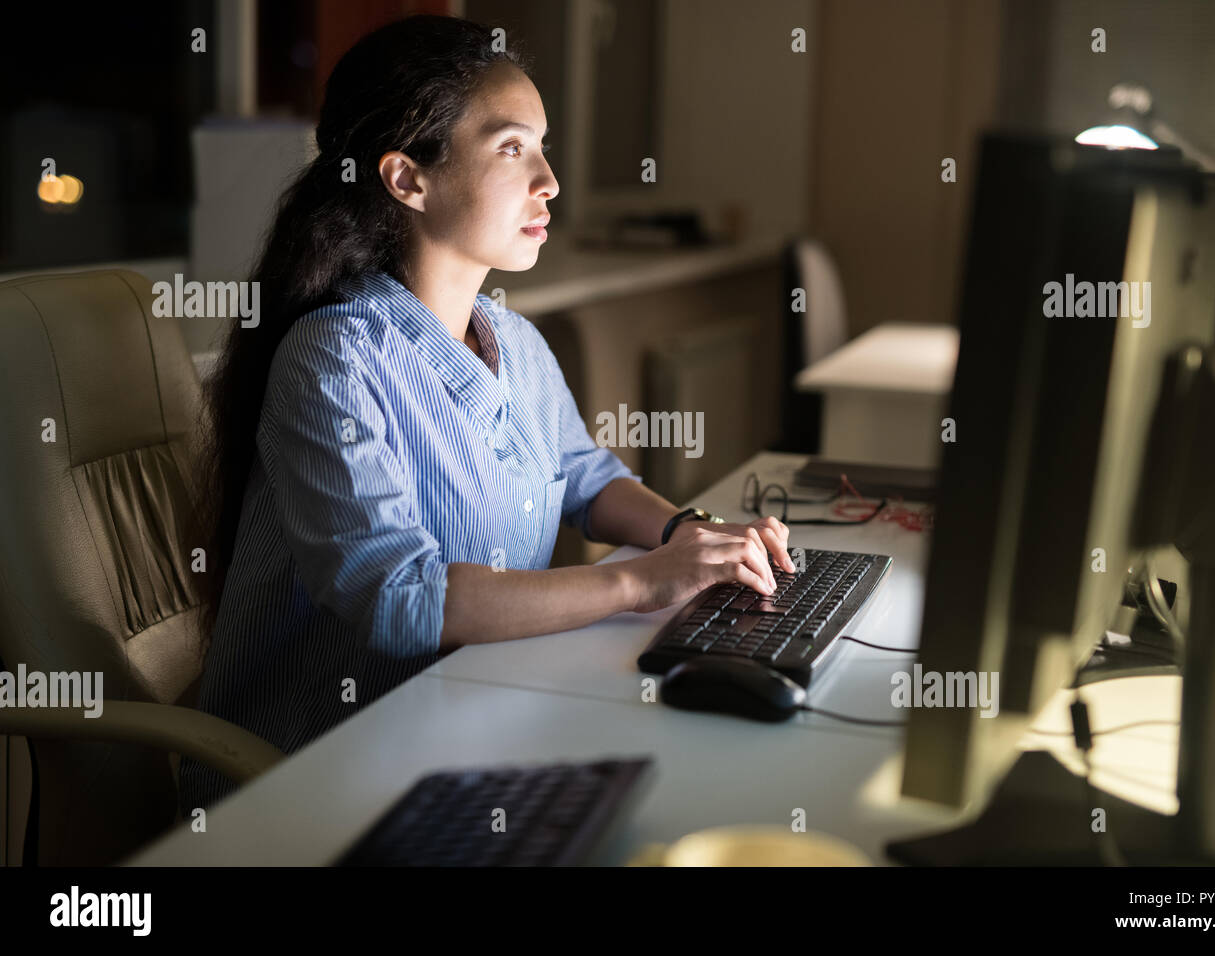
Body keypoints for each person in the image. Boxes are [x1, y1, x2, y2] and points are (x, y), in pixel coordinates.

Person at [181, 15, 794, 811]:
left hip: (471, 723)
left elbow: (585, 475)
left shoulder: (512, 338)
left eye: (542, 147)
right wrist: (642, 584)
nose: (550, 180)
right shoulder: (332, 359)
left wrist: (690, 537)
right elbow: (399, 599)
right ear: (407, 179)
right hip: (319, 778)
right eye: (513, 149)